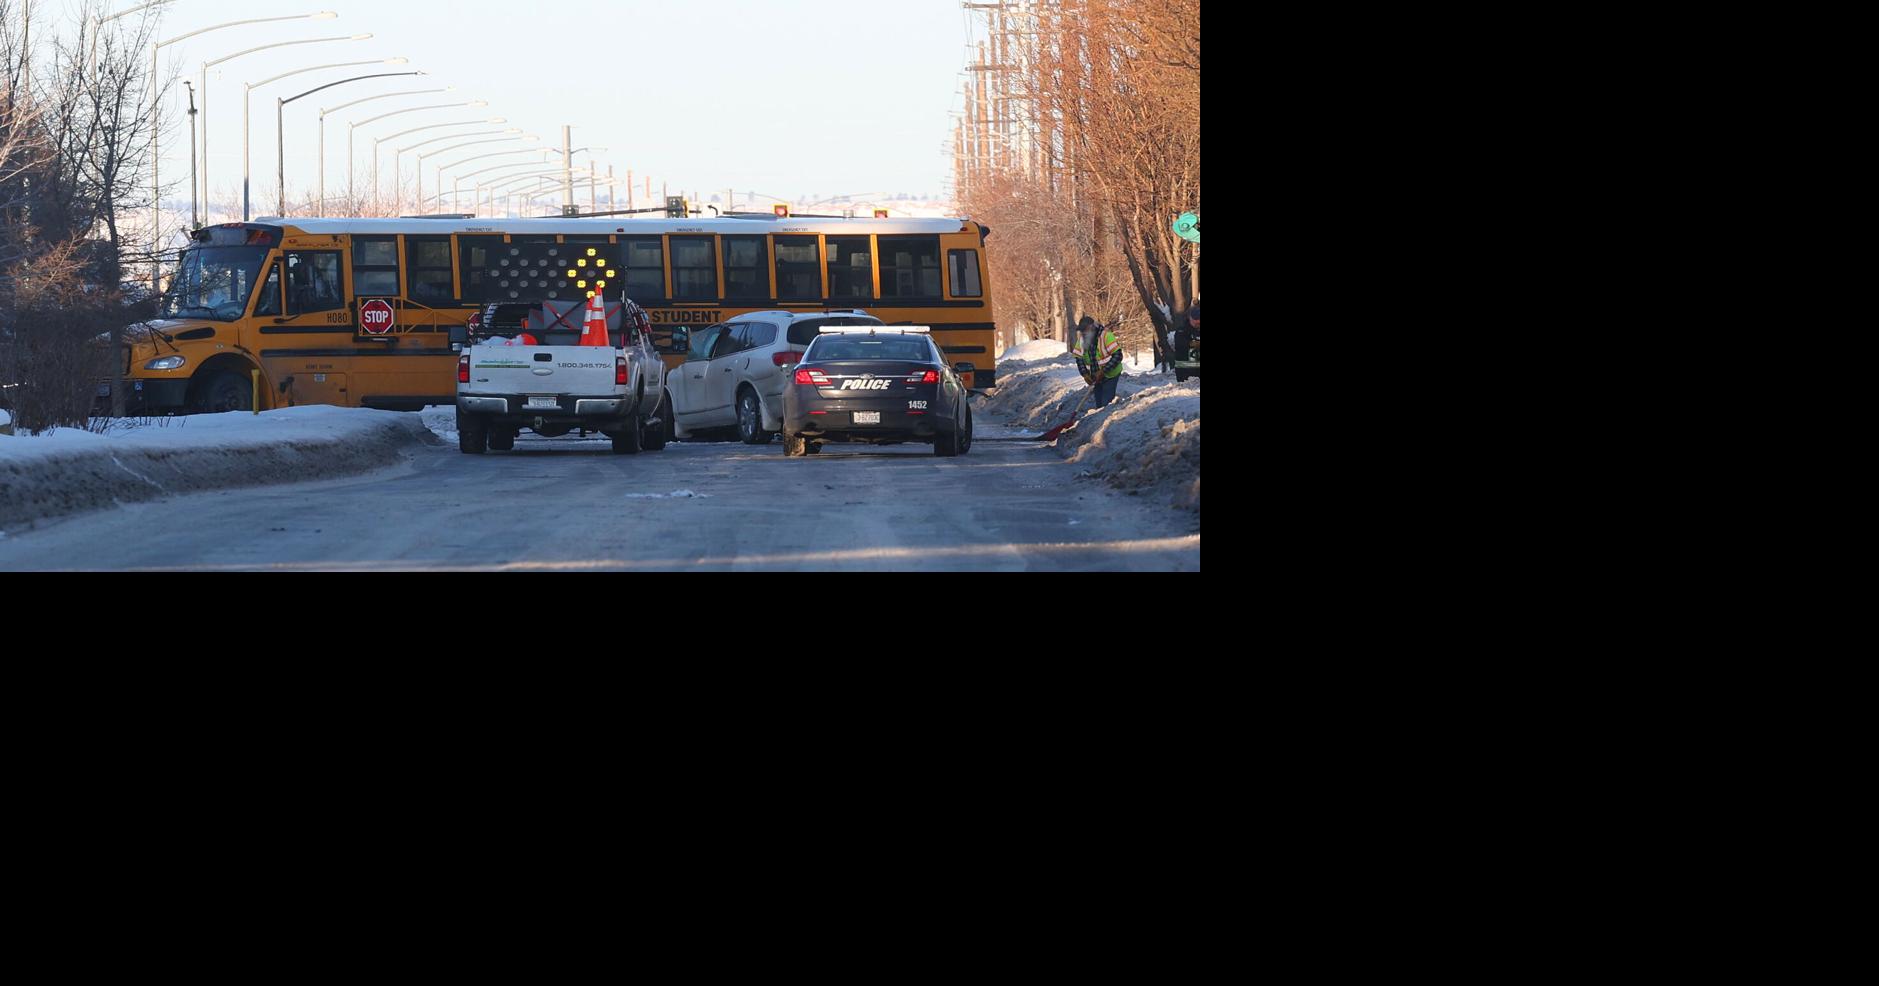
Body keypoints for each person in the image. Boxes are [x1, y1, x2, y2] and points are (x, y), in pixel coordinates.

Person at [1072, 316, 1124, 408]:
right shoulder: (1082, 339)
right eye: (1082, 331)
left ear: (1092, 328)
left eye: (1085, 330)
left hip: (1110, 374)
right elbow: (1078, 358)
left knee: (1106, 403)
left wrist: (1103, 371)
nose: (1083, 333)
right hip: (1095, 376)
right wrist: (1084, 374)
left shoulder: (1106, 336)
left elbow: (1118, 356)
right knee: (1099, 403)